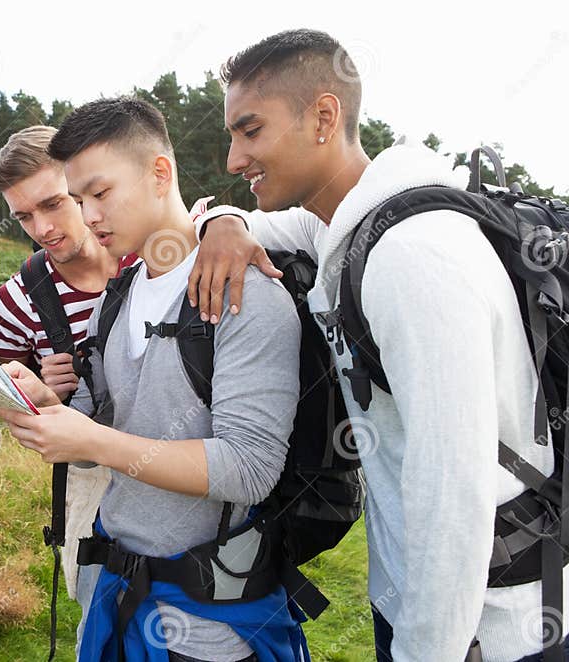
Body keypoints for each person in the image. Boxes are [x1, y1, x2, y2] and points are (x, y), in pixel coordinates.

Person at [193, 28, 569, 661]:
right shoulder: (348, 225)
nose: (233, 159)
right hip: (420, 603)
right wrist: (221, 221)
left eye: (250, 131)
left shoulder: (412, 258)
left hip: (495, 626)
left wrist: (427, 651)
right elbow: (261, 222)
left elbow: (454, 494)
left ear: (323, 117)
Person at [0, 97, 307, 662]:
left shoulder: (246, 295)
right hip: (114, 598)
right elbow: (101, 437)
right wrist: (52, 405)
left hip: (208, 622)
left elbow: (250, 469)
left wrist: (91, 439)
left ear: (159, 173)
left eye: (101, 193)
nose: (88, 216)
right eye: (78, 199)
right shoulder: (114, 301)